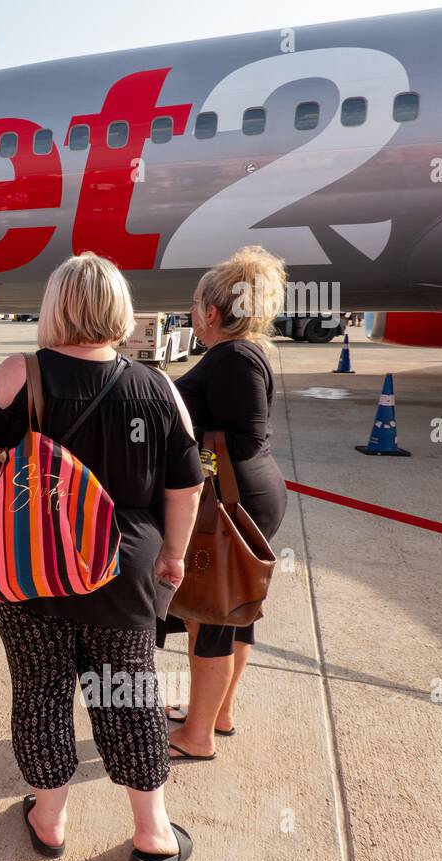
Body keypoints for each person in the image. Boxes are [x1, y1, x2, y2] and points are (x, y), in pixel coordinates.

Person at [0, 252, 204, 861]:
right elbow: (186, 484)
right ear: (118, 308)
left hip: (29, 564)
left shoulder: (21, 375)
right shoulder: (158, 387)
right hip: (123, 571)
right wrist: (173, 555)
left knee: (40, 690)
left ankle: (49, 820)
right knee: (127, 691)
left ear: (55, 306)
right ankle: (152, 834)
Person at [164, 247, 289, 763]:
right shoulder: (243, 352)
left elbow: (244, 438)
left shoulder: (234, 357)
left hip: (236, 505)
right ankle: (216, 711)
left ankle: (197, 736)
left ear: (211, 313)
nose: (193, 312)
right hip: (249, 498)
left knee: (210, 614)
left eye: (196, 304)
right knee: (236, 612)